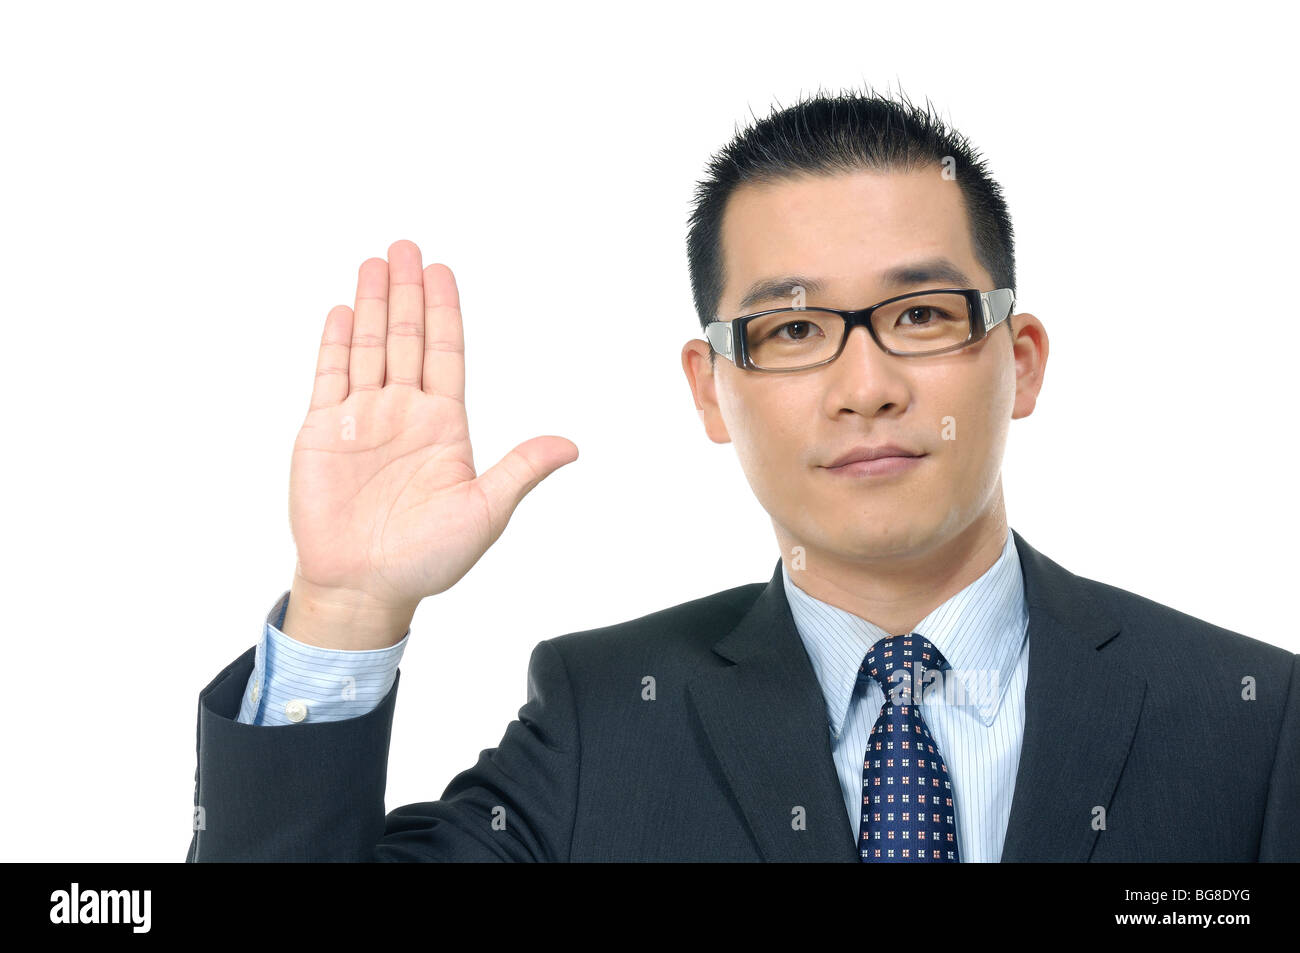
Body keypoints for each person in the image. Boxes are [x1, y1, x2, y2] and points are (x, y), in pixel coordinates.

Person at [186, 90, 1299, 862]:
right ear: (712, 389)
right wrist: (343, 610)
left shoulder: (1251, 721)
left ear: (1019, 361)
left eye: (917, 315)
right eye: (793, 329)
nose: (864, 385)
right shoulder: (600, 719)